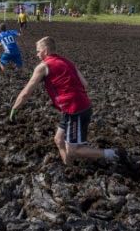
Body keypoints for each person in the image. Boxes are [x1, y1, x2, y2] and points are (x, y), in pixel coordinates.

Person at [10, 36, 127, 166]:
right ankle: (69, 167)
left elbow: (26, 92)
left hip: (74, 110)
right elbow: (85, 83)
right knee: (59, 140)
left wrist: (14, 109)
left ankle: (113, 154)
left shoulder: (43, 66)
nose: (37, 54)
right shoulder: (67, 61)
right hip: (79, 107)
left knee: (74, 151)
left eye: (38, 51)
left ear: (46, 50)